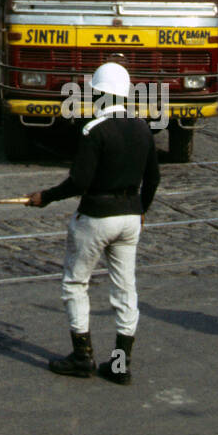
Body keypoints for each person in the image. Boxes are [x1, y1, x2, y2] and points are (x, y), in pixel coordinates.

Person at [26, 62, 160, 385]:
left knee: (75, 282)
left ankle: (82, 356)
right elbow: (153, 177)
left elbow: (79, 182)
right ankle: (119, 365)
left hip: (97, 217)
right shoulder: (143, 128)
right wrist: (142, 209)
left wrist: (46, 196)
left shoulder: (93, 129)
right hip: (130, 218)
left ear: (98, 93)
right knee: (125, 289)